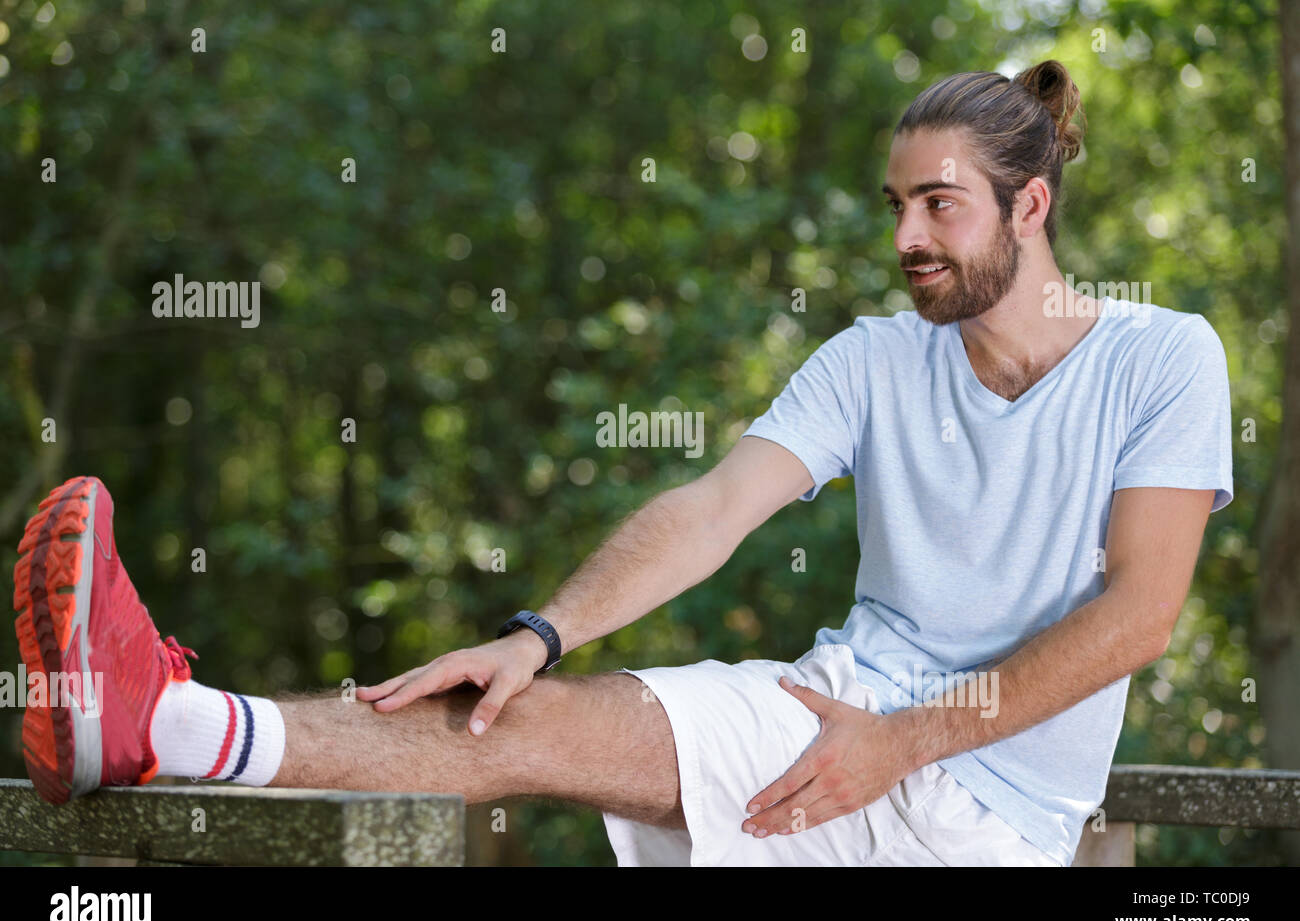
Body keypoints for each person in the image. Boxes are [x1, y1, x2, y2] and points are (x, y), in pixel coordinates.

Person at [12, 59, 1232, 866]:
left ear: (1029, 208)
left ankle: (155, 715)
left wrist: (905, 739)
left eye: (939, 205)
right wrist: (540, 630)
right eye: (893, 204)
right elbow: (711, 509)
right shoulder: (873, 358)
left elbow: (1139, 614)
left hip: (994, 812)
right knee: (520, 719)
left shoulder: (1164, 358)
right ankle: (157, 715)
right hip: (819, 718)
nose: (904, 236)